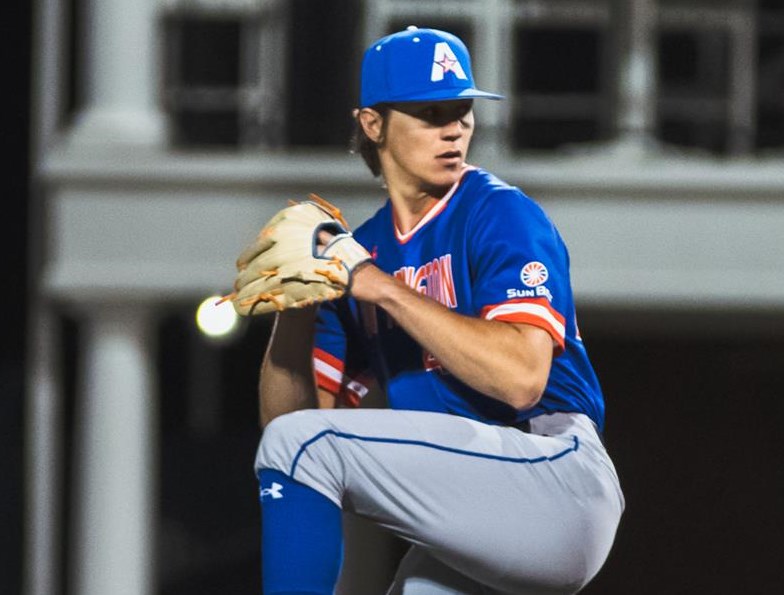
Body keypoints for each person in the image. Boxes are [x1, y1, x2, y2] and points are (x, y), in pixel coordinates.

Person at [250, 26, 623, 594]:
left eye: (462, 110)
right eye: (430, 113)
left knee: (304, 445)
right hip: (476, 509)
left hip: (554, 476)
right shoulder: (362, 252)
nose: (454, 129)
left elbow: (523, 379)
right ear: (372, 124)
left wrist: (383, 289)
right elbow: (288, 435)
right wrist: (294, 308)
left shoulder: (497, 213)